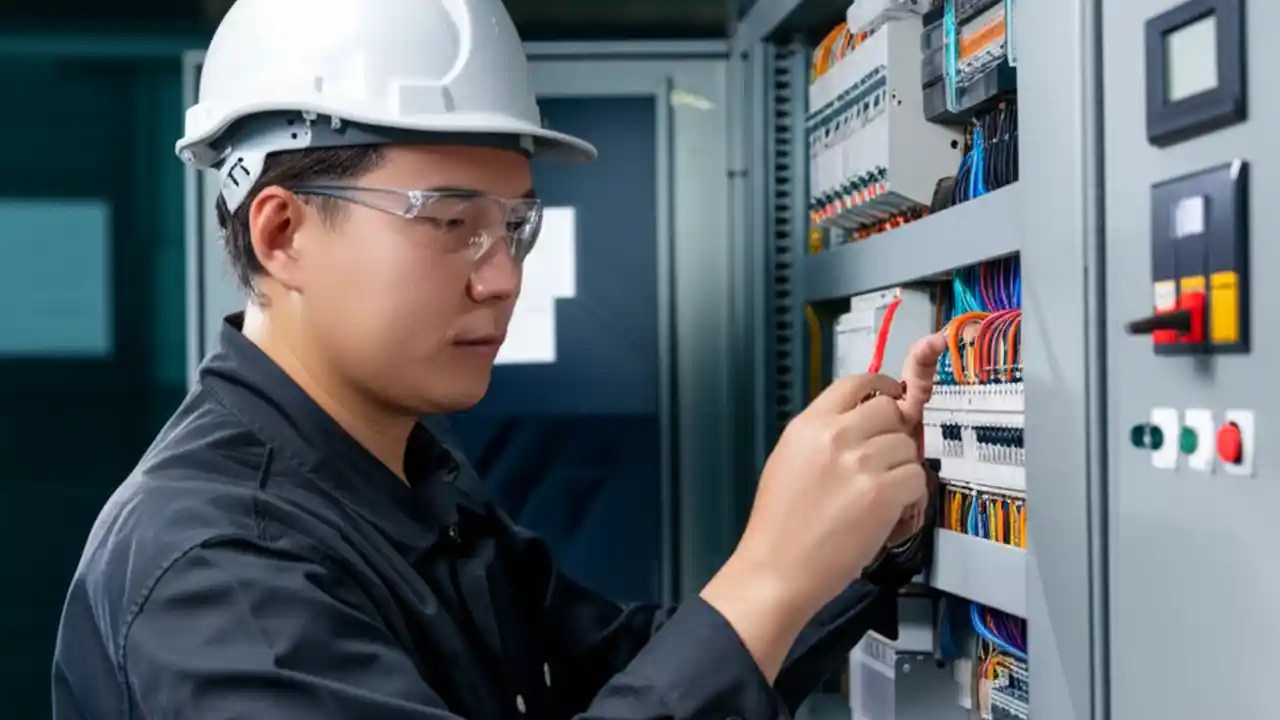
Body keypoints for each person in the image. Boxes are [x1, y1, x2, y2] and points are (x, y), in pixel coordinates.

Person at [51, 0, 948, 717]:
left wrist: (857, 542)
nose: (505, 278)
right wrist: (771, 573)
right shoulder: (219, 576)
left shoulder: (405, 480)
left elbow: (619, 676)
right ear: (283, 233)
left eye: (515, 227)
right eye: (451, 222)